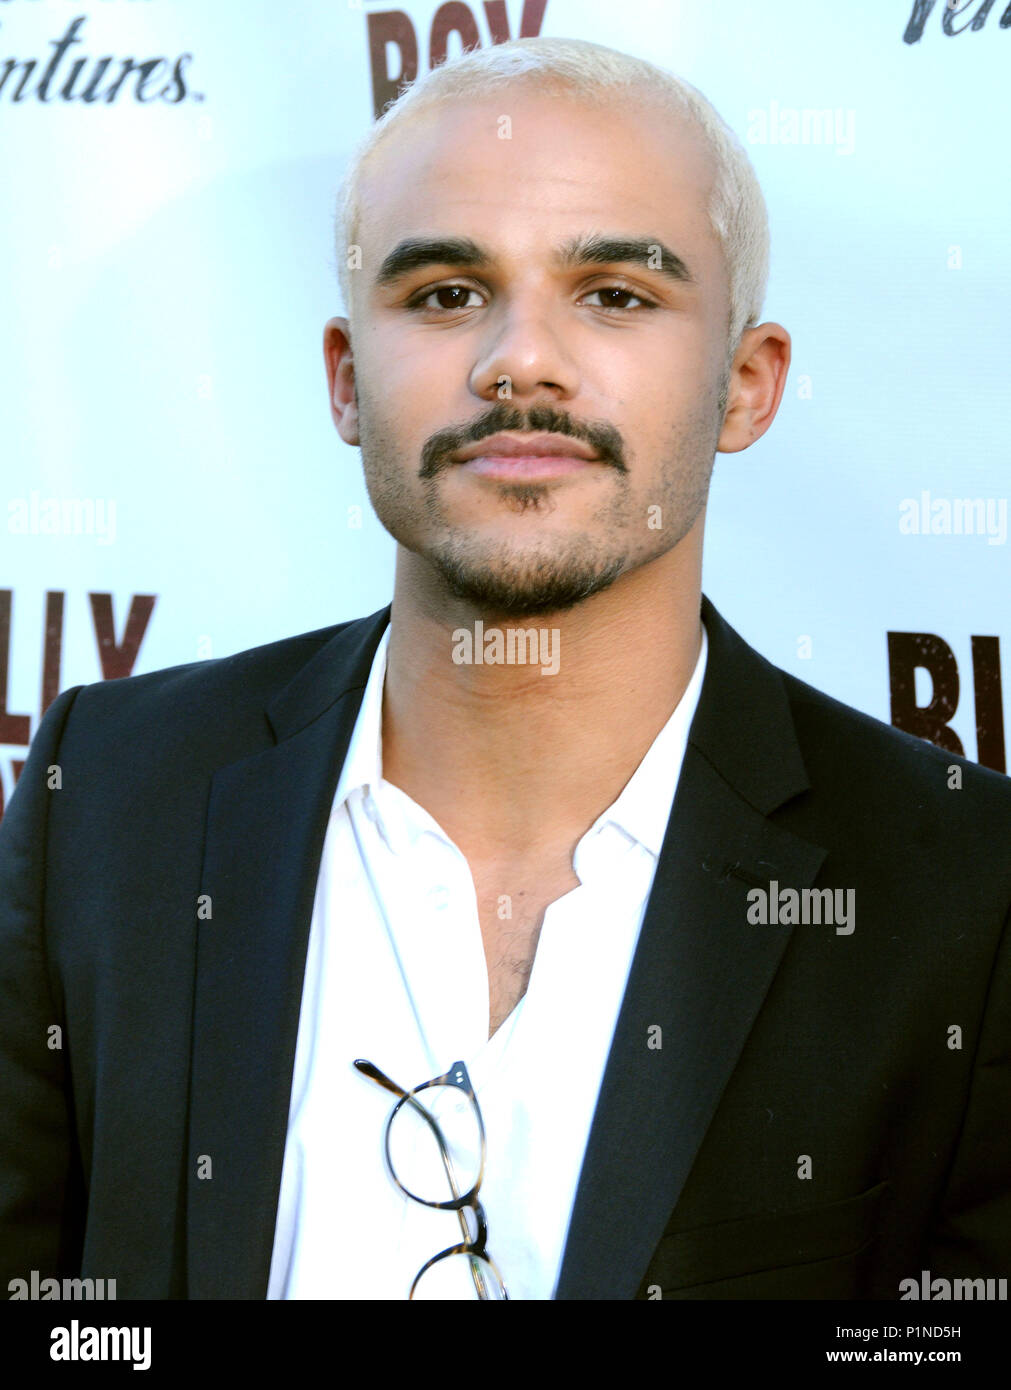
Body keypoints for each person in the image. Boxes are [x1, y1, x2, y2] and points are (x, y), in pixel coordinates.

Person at [1, 35, 1008, 1302]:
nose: (519, 361)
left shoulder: (964, 886)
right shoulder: (106, 797)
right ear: (345, 379)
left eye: (615, 294)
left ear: (746, 387)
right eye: (443, 294)